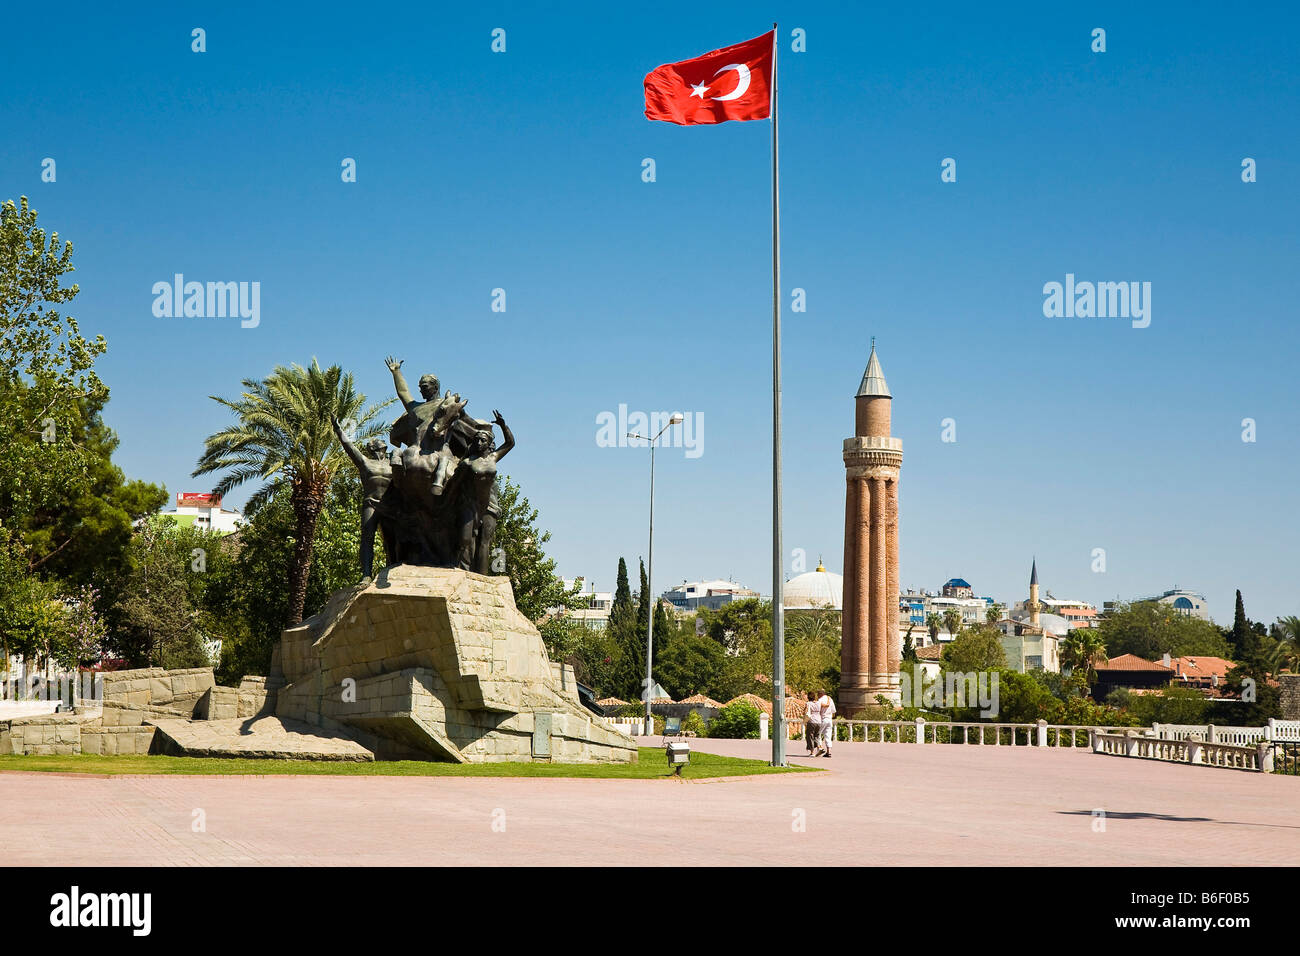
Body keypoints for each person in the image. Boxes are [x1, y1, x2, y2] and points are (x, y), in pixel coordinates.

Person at [331, 415, 396, 579]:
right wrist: (338, 429)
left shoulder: (393, 464)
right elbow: (349, 447)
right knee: (367, 538)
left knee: (392, 540)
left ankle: (392, 571)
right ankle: (366, 574)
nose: (379, 444)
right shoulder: (365, 462)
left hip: (390, 506)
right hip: (371, 504)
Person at [816, 689, 837, 757]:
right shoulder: (830, 699)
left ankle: (820, 748)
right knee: (828, 735)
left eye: (818, 694)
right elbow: (833, 711)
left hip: (823, 719)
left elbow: (817, 711)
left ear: (820, 694)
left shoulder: (820, 700)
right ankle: (829, 752)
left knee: (817, 734)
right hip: (829, 719)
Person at [804, 691, 821, 755]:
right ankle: (819, 749)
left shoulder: (808, 703)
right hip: (819, 721)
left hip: (811, 721)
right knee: (817, 736)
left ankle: (812, 752)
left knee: (810, 736)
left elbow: (805, 711)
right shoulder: (819, 703)